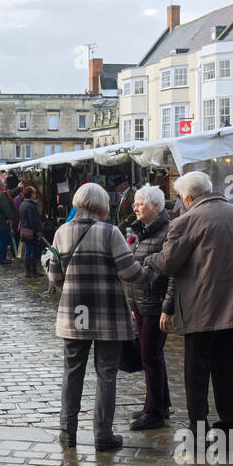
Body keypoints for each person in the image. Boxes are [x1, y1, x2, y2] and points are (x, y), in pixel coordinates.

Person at [142, 171, 233, 437]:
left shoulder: (186, 221)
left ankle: (198, 431)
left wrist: (148, 259)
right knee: (227, 371)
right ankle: (228, 422)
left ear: (188, 197)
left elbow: (169, 263)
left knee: (196, 376)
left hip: (200, 312)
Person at [43, 182, 149, 452]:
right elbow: (130, 273)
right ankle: (103, 434)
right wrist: (147, 270)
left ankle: (68, 432)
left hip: (73, 315)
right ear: (102, 205)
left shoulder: (61, 232)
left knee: (72, 373)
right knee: (106, 374)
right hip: (108, 315)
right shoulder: (110, 232)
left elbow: (55, 278)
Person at [124, 184, 173, 430]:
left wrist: (168, 307)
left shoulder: (167, 232)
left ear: (155, 206)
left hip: (155, 303)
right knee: (153, 355)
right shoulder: (141, 231)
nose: (134, 207)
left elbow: (170, 272)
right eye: (135, 203)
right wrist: (132, 303)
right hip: (141, 303)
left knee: (149, 357)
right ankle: (159, 404)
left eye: (139, 203)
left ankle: (153, 411)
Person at [18, 186, 43, 276]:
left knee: (29, 250)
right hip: (31, 231)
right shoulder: (30, 205)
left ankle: (30, 271)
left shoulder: (23, 204)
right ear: (31, 194)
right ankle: (31, 271)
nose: (35, 194)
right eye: (34, 192)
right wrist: (38, 232)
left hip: (25, 230)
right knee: (31, 251)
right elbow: (33, 221)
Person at [0, 180, 16, 265]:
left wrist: (18, 188)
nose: (6, 184)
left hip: (0, 221)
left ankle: (2, 257)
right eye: (4, 184)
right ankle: (2, 258)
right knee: (3, 240)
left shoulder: (0, 193)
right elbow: (5, 208)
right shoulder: (1, 195)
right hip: (3, 222)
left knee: (2, 240)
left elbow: (11, 194)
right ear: (1, 186)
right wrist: (10, 217)